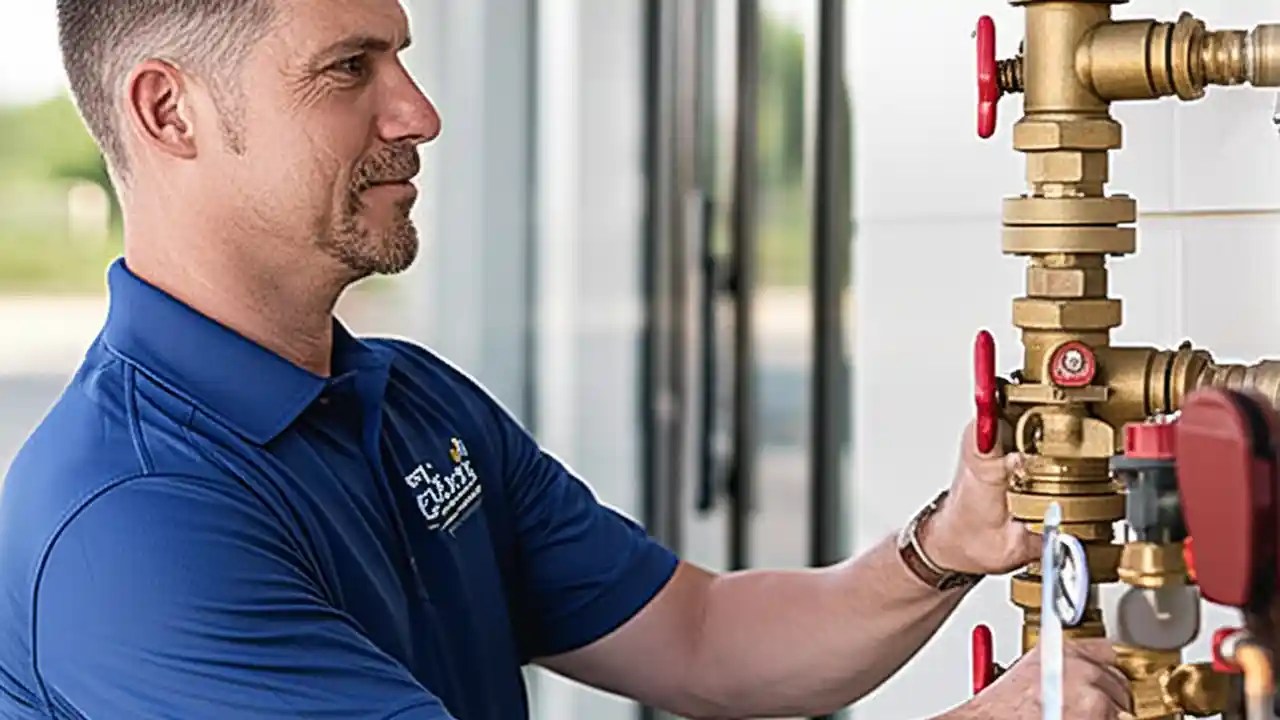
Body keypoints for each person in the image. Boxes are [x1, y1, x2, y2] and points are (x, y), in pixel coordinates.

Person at [0, 1, 1132, 718]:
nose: (419, 112)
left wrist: (942, 546)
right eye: (348, 69)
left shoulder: (406, 400)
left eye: (402, 58)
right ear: (170, 112)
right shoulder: (130, 526)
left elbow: (699, 639)